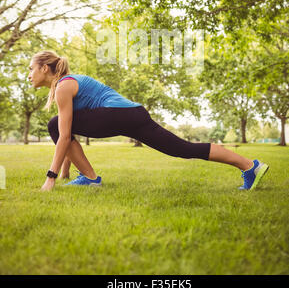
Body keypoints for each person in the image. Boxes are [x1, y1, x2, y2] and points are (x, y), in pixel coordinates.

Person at [28, 50, 269, 192]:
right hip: (132, 114)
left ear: (46, 68)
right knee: (182, 149)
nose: (29, 75)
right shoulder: (66, 84)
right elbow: (67, 133)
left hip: (118, 114)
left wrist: (51, 177)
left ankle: (91, 178)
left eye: (32, 69)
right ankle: (250, 166)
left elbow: (65, 134)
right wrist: (65, 173)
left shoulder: (64, 86)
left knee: (55, 124)